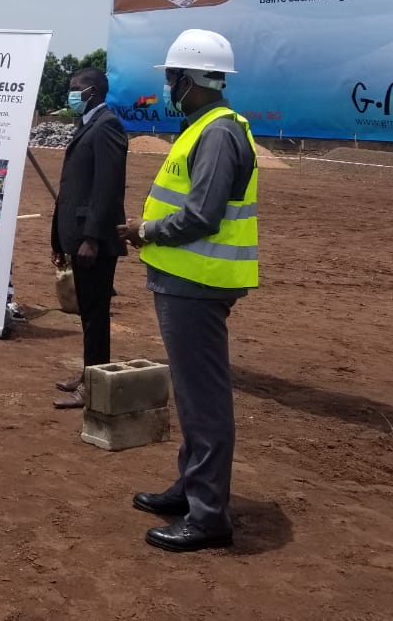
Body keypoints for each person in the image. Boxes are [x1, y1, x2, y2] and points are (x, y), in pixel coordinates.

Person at [120, 29, 258, 553]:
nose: (170, 86)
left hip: (197, 281)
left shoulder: (218, 134)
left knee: (204, 399)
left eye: (173, 77)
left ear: (194, 79)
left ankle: (207, 515)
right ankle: (191, 487)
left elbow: (201, 215)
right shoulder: (206, 126)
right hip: (185, 280)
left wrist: (144, 231)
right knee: (192, 390)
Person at [49, 66, 128, 409]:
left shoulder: (107, 125)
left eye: (75, 88)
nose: (70, 94)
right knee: (87, 315)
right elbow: (72, 188)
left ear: (93, 92)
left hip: (94, 242)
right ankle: (88, 374)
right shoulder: (87, 124)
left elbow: (107, 189)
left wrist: (92, 238)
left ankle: (95, 386)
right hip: (78, 237)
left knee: (95, 316)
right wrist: (58, 239)